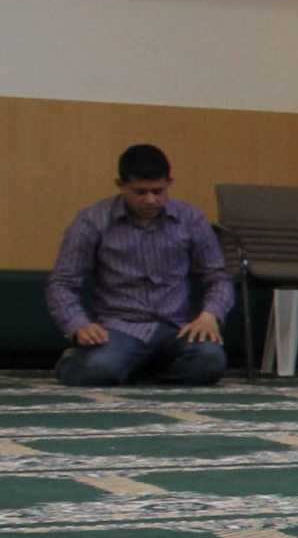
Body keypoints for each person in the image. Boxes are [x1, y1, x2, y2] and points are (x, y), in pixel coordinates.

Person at [46, 144, 231, 388]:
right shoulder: (92, 220)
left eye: (158, 191)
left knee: (210, 362)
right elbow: (62, 283)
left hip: (176, 328)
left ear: (169, 183)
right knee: (98, 370)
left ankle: (138, 368)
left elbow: (217, 276)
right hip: (119, 327)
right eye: (140, 192)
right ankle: (78, 361)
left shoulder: (191, 218)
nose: (151, 200)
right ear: (120, 185)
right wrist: (78, 324)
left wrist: (210, 315)